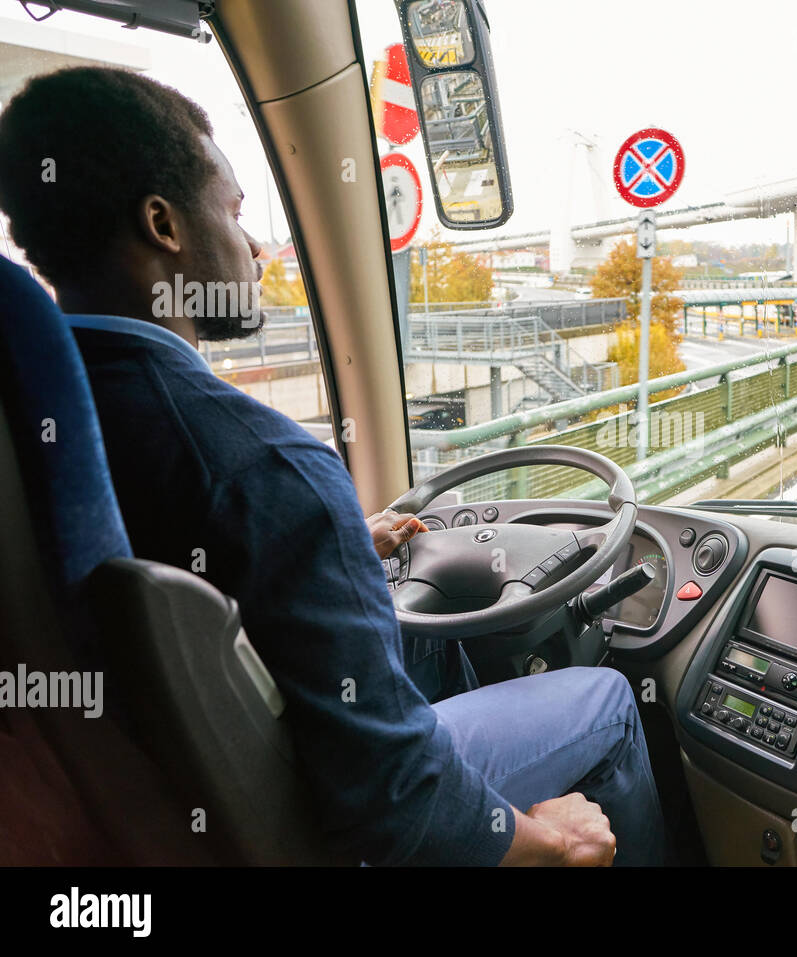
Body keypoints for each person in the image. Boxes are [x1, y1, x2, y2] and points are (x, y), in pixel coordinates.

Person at [0, 67, 663, 867]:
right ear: (162, 225)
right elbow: (402, 806)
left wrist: (336, 540)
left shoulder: (45, 422)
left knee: (423, 649)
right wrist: (550, 841)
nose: (253, 245)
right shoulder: (262, 466)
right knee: (608, 698)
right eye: (236, 211)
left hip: (154, 814)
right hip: (310, 828)